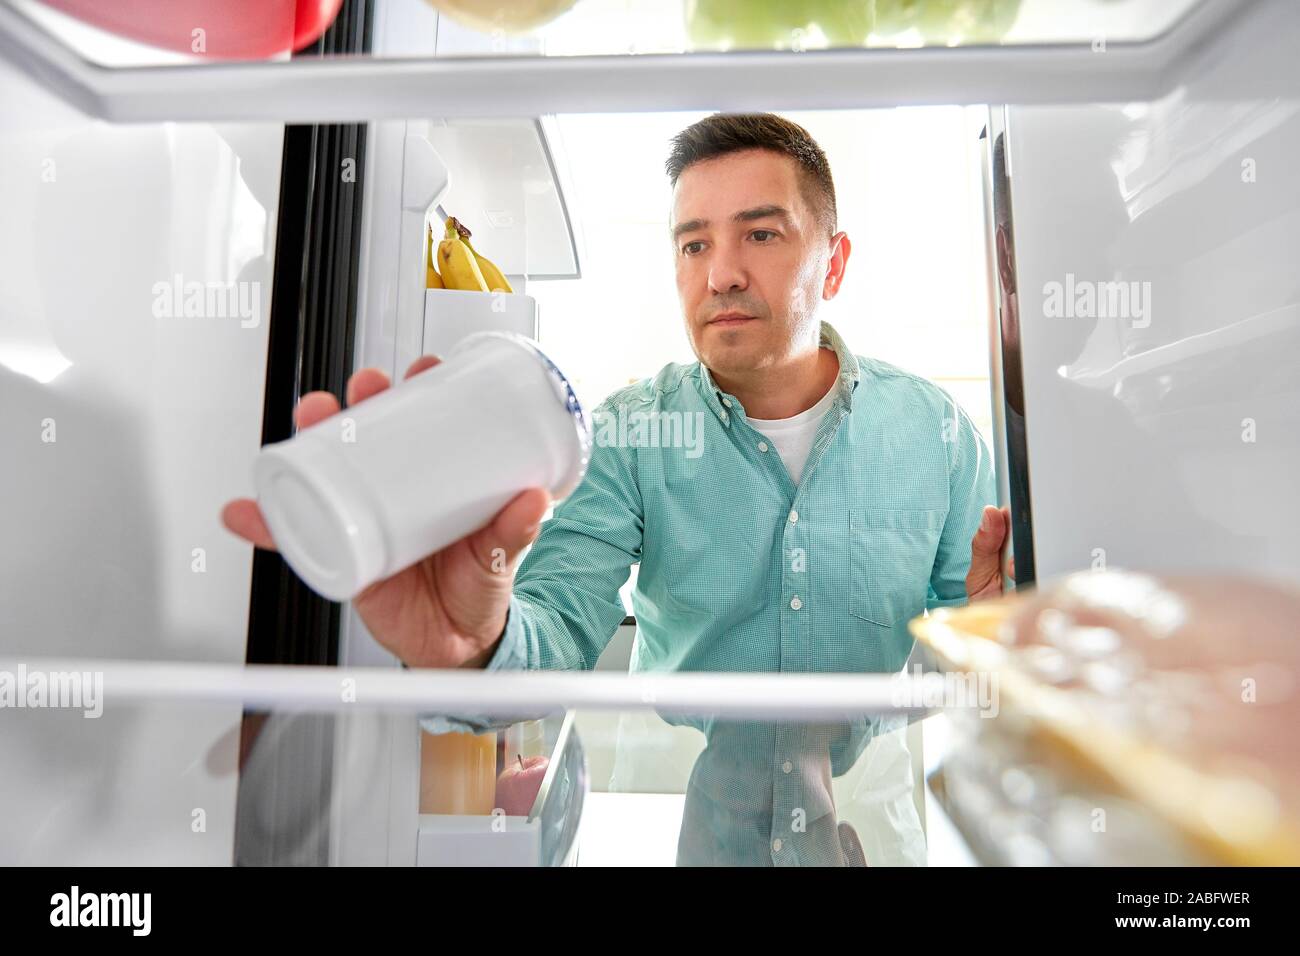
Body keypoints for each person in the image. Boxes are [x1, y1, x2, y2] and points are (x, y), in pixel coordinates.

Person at [223, 112, 1011, 865]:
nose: (722, 274)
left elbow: (962, 666)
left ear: (833, 262)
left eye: (761, 235)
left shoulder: (934, 431)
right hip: (683, 810)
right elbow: (554, 629)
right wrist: (469, 650)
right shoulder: (629, 433)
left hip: (872, 818)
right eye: (693, 244)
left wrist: (994, 638)